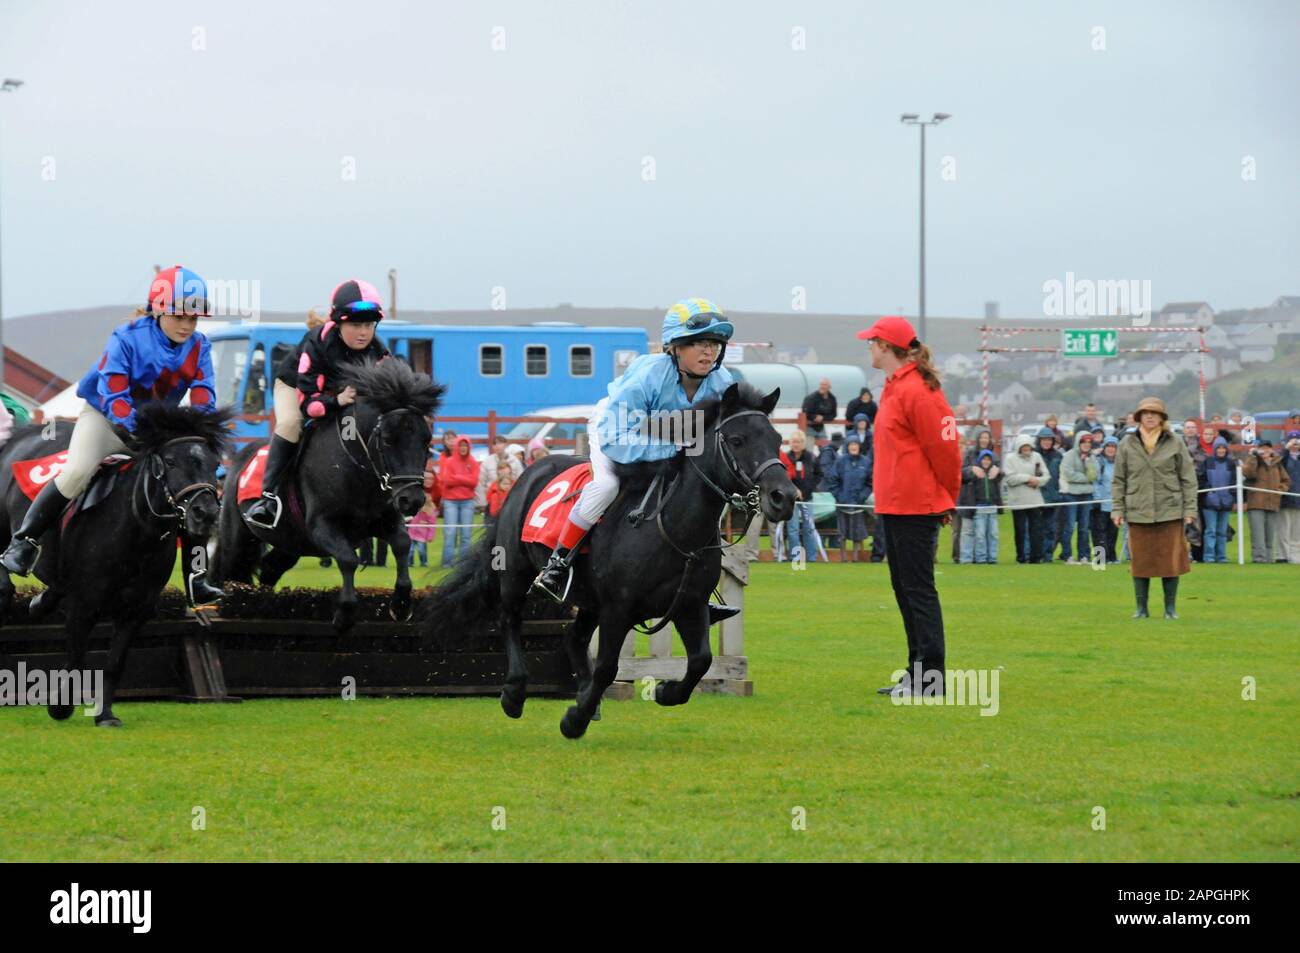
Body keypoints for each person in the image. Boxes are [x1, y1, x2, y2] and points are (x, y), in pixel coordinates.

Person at [0, 265, 223, 604]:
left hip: (154, 429)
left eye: (193, 319)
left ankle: (196, 577)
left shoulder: (199, 346)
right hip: (106, 418)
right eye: (180, 316)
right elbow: (115, 395)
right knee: (76, 472)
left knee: (192, 487)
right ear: (159, 310)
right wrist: (140, 433)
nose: (187, 325)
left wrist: (199, 437)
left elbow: (205, 395)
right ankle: (23, 543)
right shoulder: (126, 338)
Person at [531, 297, 738, 625]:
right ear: (674, 347)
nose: (708, 352)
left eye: (714, 343)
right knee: (606, 485)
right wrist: (673, 451)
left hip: (671, 439)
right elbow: (617, 439)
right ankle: (556, 565)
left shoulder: (723, 381)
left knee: (701, 492)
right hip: (615, 429)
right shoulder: (648, 375)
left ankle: (698, 589)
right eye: (698, 343)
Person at [856, 316, 960, 698]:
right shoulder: (895, 388)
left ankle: (930, 678)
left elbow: (947, 450)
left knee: (918, 590)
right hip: (896, 505)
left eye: (872, 342)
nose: (868, 347)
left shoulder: (917, 391)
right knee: (905, 589)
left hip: (917, 505)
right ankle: (917, 673)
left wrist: (947, 497)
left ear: (886, 346)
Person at [246, 278, 390, 528]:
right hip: (296, 388)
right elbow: (309, 404)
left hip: (340, 396)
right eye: (356, 325)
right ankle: (268, 499)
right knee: (291, 424)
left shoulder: (378, 351)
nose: (364, 332)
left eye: (369, 324)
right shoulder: (317, 344)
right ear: (338, 322)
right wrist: (337, 400)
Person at [1111, 397, 1198, 619]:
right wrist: (1117, 510)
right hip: (1138, 510)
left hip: (1170, 509)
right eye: (1145, 413)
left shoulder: (1175, 442)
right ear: (1139, 417)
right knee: (1140, 562)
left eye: (1154, 413)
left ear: (1162, 417)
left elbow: (1188, 478)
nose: (1149, 416)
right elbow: (1119, 480)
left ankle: (1170, 609)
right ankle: (1141, 609)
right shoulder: (1127, 443)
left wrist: (1190, 510)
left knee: (1171, 562)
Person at [1242, 441, 1290, 563]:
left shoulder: (1277, 464)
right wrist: (1253, 457)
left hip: (1273, 502)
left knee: (1270, 534)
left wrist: (1280, 490)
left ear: (1272, 450)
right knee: (1258, 534)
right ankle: (1259, 558)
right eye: (1262, 449)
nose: (1265, 451)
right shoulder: (1253, 461)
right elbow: (1248, 473)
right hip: (1256, 503)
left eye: (1268, 449)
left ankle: (1269, 559)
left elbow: (1286, 480)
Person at [826, 434, 871, 562]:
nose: (853, 447)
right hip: (842, 503)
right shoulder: (840, 461)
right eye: (851, 444)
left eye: (855, 444)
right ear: (847, 446)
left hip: (858, 503)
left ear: (859, 446)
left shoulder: (866, 462)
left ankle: (856, 558)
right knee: (842, 533)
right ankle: (843, 557)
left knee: (857, 533)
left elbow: (870, 483)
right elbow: (832, 480)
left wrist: (862, 496)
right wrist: (839, 496)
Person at [1003, 434, 1046, 564]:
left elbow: (1045, 476)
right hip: (1018, 502)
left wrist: (1037, 481)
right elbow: (1010, 478)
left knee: (1036, 531)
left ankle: (1036, 558)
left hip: (1035, 501)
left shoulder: (1037, 457)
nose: (1026, 448)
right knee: (1020, 531)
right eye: (1023, 446)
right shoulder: (1010, 458)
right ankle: (1021, 557)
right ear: (1019, 447)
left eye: (1028, 446)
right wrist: (1028, 478)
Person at [1058, 430, 1099, 564]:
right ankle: (1067, 555)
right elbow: (1068, 474)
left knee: (1084, 527)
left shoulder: (1092, 457)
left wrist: (1087, 463)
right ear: (1078, 442)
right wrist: (1086, 478)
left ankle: (1084, 555)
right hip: (1070, 494)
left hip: (1086, 495)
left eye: (1089, 442)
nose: (1087, 445)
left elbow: (1094, 476)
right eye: (1084, 442)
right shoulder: (1069, 455)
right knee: (1069, 526)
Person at [439, 435, 480, 566]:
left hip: (467, 501)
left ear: (469, 447)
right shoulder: (449, 461)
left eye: (466, 445)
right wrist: (465, 479)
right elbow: (447, 481)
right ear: (457, 446)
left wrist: (457, 477)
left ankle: (463, 565)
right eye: (461, 445)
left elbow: (474, 482)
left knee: (466, 535)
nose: (463, 448)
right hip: (450, 501)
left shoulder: (473, 462)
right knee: (450, 533)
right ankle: (447, 563)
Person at [781, 430, 820, 563]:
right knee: (792, 529)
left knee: (809, 528)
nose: (796, 444)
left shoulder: (811, 457)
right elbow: (783, 477)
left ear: (803, 443)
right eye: (793, 442)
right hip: (792, 501)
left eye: (798, 442)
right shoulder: (786, 458)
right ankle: (796, 557)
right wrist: (794, 490)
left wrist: (810, 488)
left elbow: (819, 474)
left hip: (807, 499)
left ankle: (811, 557)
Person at [958, 447, 1002, 564]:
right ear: (979, 461)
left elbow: (1002, 474)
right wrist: (972, 470)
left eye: (989, 459)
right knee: (980, 535)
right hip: (979, 509)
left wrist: (998, 470)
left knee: (993, 534)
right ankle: (981, 558)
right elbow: (963, 476)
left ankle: (992, 558)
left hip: (992, 508)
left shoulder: (994, 474)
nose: (986, 462)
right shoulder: (975, 474)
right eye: (984, 459)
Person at [1199, 437, 1236, 563]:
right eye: (1218, 448)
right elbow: (1201, 479)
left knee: (1221, 531)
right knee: (1211, 531)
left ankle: (1221, 556)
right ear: (1215, 449)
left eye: (1223, 448)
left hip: (1225, 502)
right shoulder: (1207, 462)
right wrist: (1208, 493)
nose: (1221, 450)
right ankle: (1208, 556)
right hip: (1209, 503)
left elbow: (1234, 482)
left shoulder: (1231, 464)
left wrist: (1231, 498)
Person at [1034, 427, 1064, 559]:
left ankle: (1047, 554)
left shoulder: (1058, 456)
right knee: (1036, 529)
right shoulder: (1034, 455)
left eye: (1049, 439)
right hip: (1036, 496)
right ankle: (1036, 553)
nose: (1047, 442)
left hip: (1053, 497)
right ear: (1039, 440)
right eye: (1044, 439)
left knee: (1050, 529)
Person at [475, 435, 521, 510]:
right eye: (494, 444)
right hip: (492, 500)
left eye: (500, 443)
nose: (497, 446)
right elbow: (480, 483)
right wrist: (483, 503)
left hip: (511, 500)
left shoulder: (515, 461)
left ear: (505, 445)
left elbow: (521, 481)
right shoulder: (487, 461)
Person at [1094, 436, 1120, 562]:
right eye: (1108, 446)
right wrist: (1098, 499)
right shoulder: (1100, 462)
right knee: (1100, 532)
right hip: (1102, 504)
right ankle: (1100, 559)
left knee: (1113, 533)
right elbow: (1096, 482)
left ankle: (1111, 556)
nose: (1110, 449)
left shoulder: (1120, 464)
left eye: (1113, 447)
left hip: (1115, 505)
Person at [1280, 431, 1300, 564]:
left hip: (1298, 499)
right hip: (1285, 499)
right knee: (1283, 530)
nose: (1295, 443)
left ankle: (1295, 555)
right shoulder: (1284, 458)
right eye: (1292, 441)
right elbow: (1276, 462)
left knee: (1296, 532)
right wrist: (1286, 450)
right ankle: (1282, 555)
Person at [406, 495, 437, 567]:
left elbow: (432, 526)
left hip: (422, 536)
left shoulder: (430, 514)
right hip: (411, 534)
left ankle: (424, 562)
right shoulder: (415, 511)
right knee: (410, 550)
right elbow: (408, 518)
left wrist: (430, 536)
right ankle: (410, 563)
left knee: (421, 551)